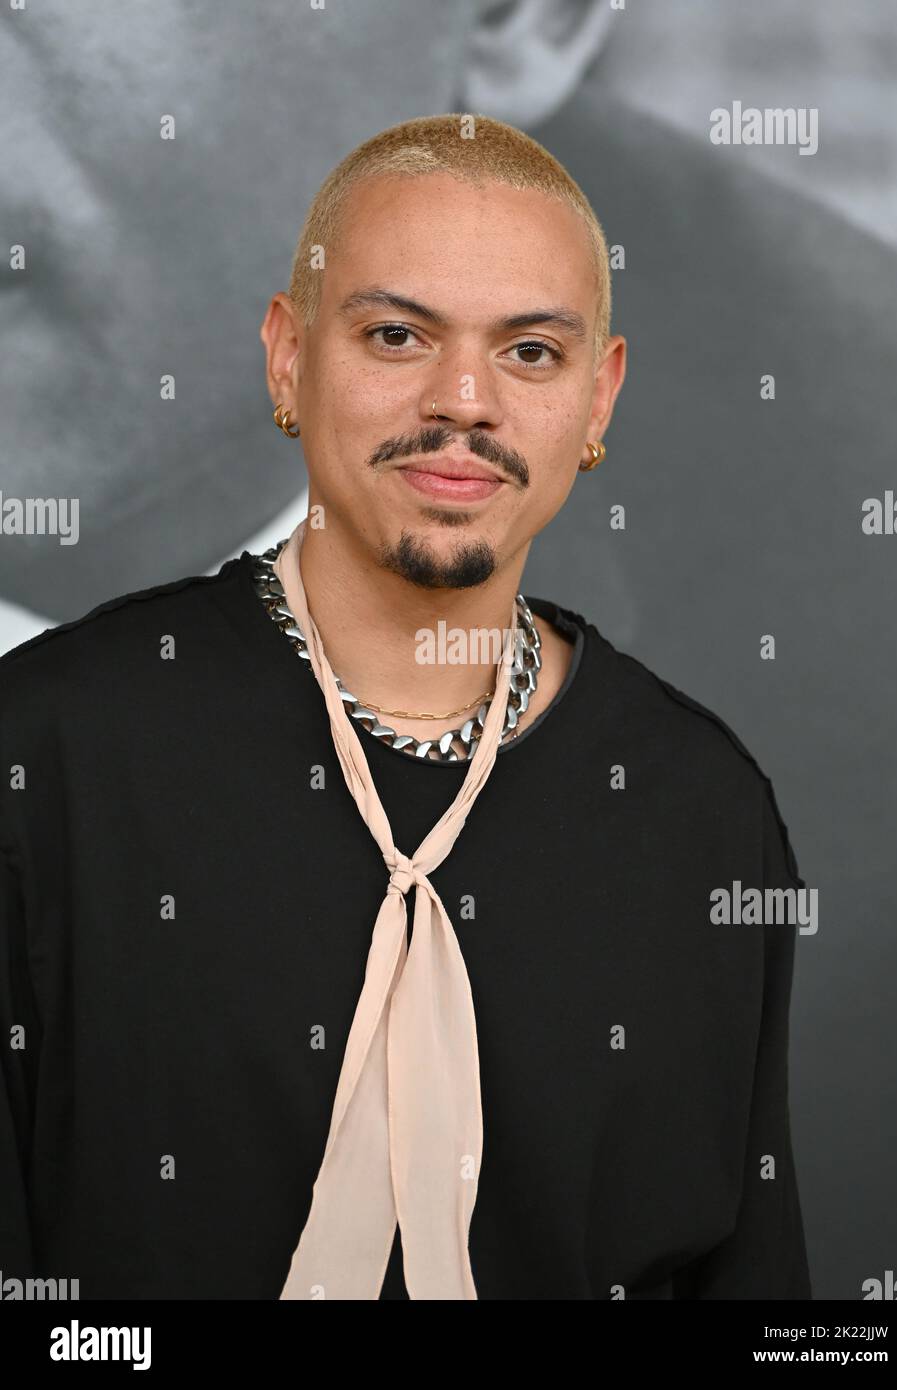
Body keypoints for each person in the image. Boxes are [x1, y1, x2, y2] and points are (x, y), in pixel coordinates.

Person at [0, 114, 810, 1300]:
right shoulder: (44, 753)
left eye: (530, 352)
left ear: (598, 397)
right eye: (395, 334)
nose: (463, 400)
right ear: (287, 358)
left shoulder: (704, 814)